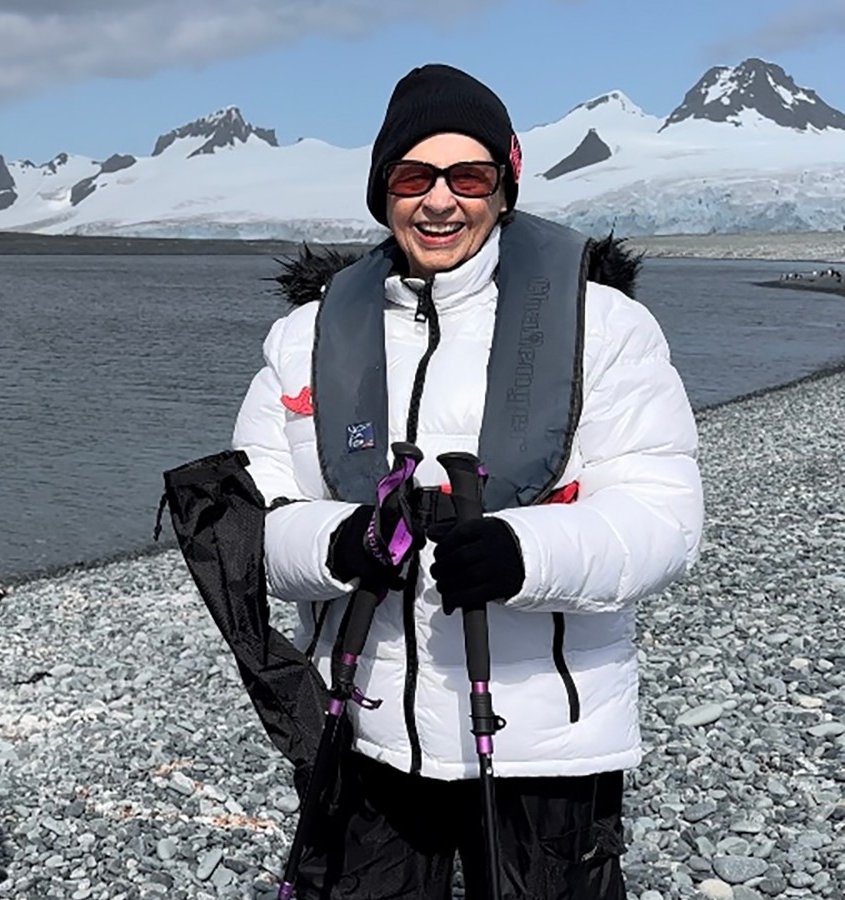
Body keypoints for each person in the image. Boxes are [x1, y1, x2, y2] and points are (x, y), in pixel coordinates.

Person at [230, 63, 703, 898]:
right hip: (366, 728)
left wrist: (523, 554)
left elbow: (664, 516)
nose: (440, 201)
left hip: (547, 742)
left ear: (505, 186)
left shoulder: (606, 327)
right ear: (383, 191)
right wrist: (341, 543)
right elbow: (252, 526)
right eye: (414, 176)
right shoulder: (303, 338)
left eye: (469, 176)